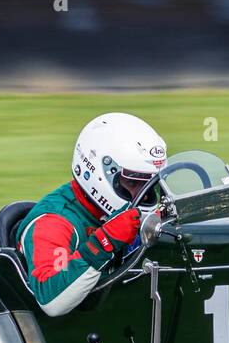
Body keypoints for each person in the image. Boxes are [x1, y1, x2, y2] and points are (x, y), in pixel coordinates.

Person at [16, 112, 166, 316]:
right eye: (132, 183)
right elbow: (51, 299)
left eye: (150, 184)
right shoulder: (54, 222)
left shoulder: (125, 209)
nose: (145, 196)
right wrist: (103, 243)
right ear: (97, 172)